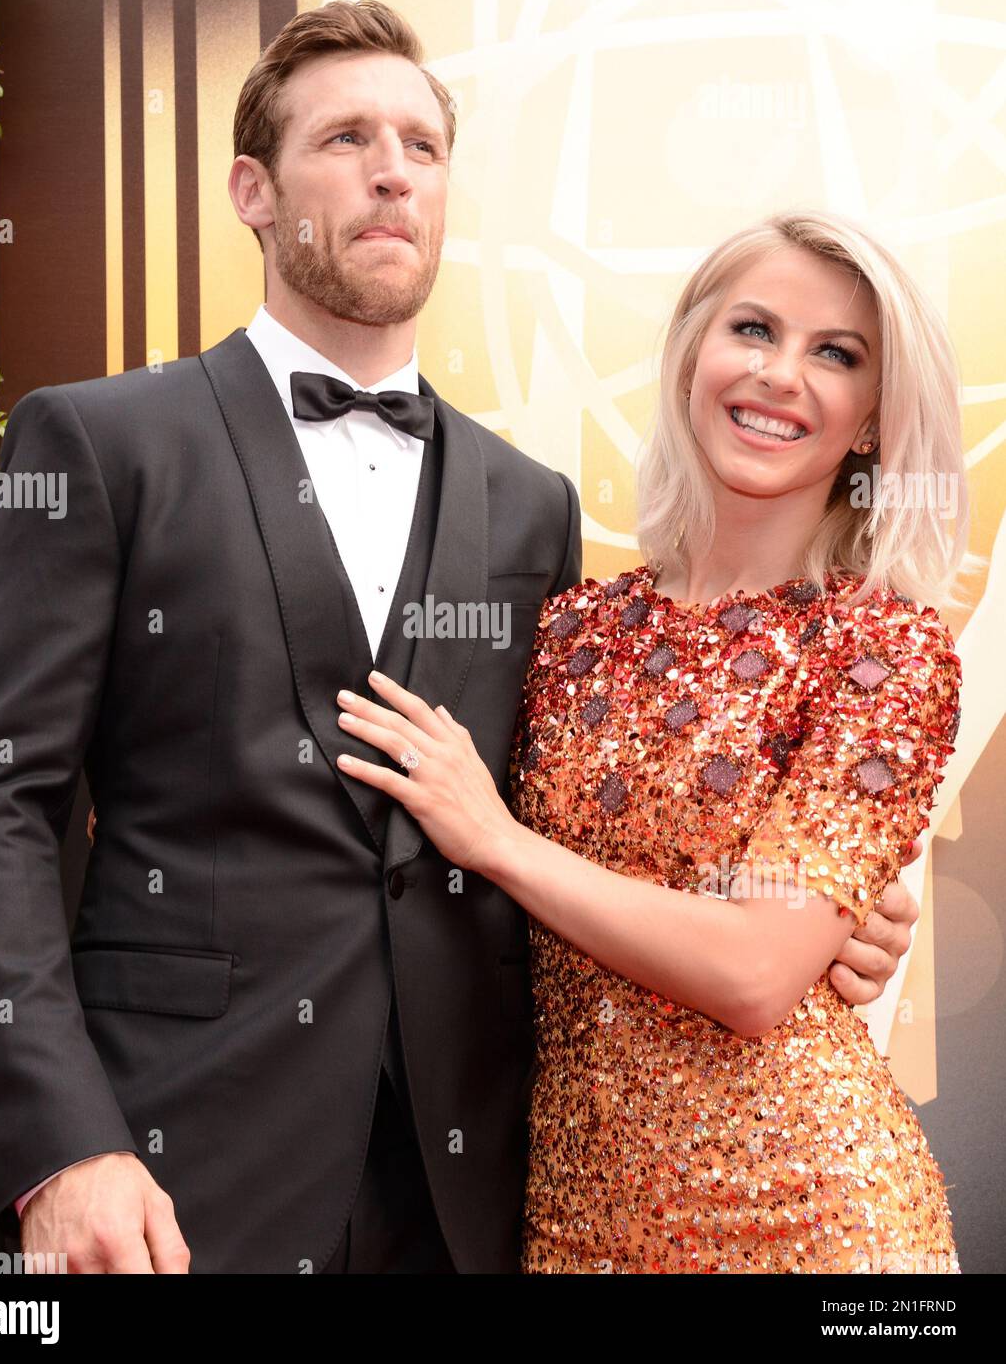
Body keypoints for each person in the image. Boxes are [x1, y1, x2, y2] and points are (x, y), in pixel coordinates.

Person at [0, 0, 917, 1274]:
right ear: (252, 191)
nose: (391, 170)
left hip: (470, 1194)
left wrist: (819, 901)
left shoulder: (531, 503)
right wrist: (63, 1150)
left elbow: (567, 818)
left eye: (422, 146)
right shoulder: (102, 444)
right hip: (174, 1171)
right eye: (345, 139)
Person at [333, 210, 965, 1273]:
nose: (780, 375)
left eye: (836, 354)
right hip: (575, 1222)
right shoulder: (570, 628)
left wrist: (499, 841)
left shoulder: (884, 648)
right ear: (690, 355)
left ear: (871, 420)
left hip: (813, 1224)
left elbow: (756, 974)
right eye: (753, 329)